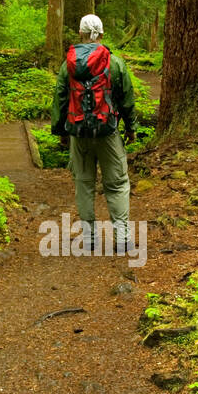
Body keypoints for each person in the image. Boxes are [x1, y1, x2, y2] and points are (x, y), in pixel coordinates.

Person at [50, 14, 137, 255]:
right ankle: (122, 240)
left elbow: (60, 98)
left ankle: (89, 240)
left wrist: (61, 132)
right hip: (108, 132)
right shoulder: (115, 63)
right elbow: (126, 99)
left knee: (84, 183)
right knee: (117, 183)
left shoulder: (68, 65)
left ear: (80, 33)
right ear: (101, 34)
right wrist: (131, 128)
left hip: (79, 134)